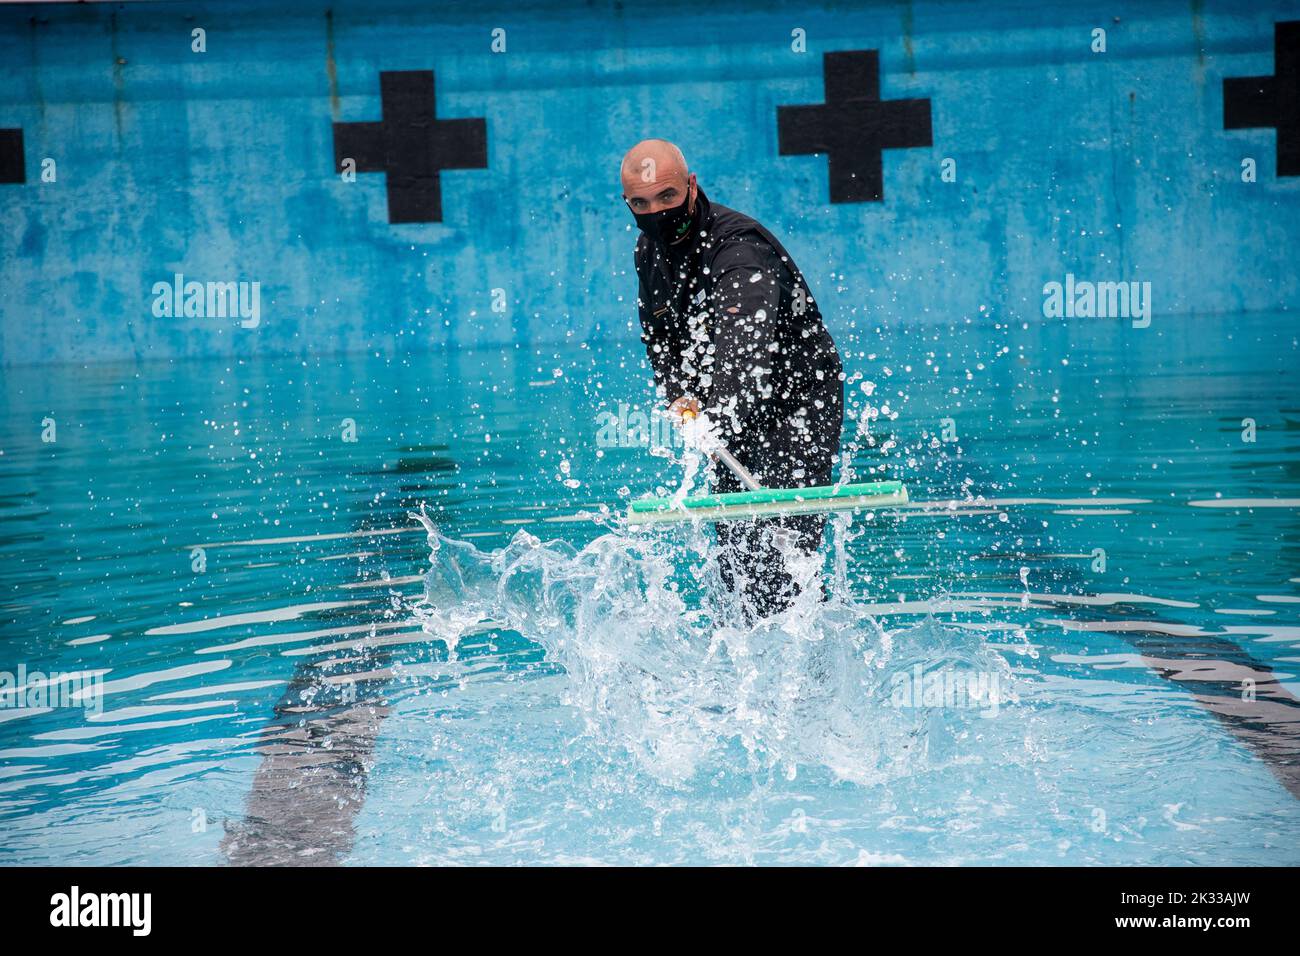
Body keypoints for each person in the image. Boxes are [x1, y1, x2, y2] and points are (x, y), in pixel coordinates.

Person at [620, 139, 845, 619]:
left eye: (666, 197)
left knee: (784, 562)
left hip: (797, 400)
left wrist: (714, 418)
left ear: (692, 186)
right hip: (730, 407)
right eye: (640, 204)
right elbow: (660, 339)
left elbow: (744, 353)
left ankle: (816, 666)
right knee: (739, 563)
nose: (655, 212)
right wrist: (680, 400)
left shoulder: (739, 247)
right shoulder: (649, 252)